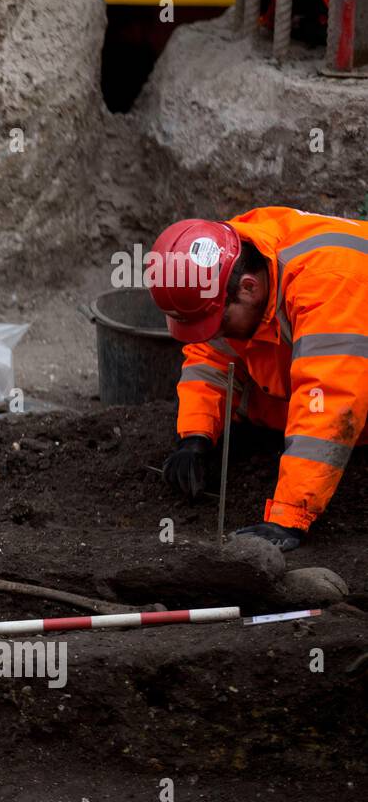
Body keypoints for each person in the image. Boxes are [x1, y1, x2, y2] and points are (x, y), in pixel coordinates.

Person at [145, 207, 368, 551]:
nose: (213, 335)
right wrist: (195, 436)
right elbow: (210, 355)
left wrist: (289, 517)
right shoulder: (232, 256)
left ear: (248, 289)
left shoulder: (329, 284)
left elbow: (328, 399)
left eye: (218, 323)